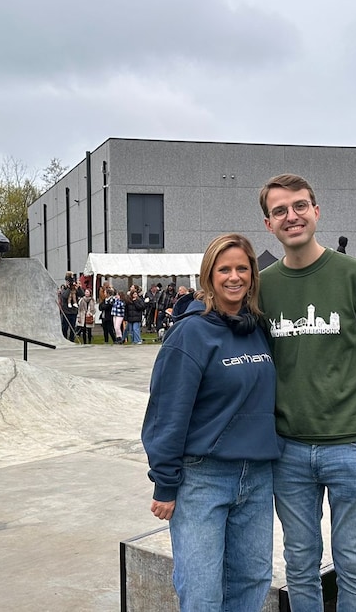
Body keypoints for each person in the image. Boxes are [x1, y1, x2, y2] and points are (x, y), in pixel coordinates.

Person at [258, 174, 356, 611]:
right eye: (280, 210)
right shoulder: (263, 287)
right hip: (289, 449)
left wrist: (342, 393)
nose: (291, 216)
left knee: (354, 561)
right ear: (269, 224)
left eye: (299, 206)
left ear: (316, 211)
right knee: (299, 562)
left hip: (354, 445)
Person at [141, 233, 279, 611]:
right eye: (224, 269)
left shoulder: (259, 330)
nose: (234, 277)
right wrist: (165, 484)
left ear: (252, 274)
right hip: (203, 479)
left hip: (257, 476)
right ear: (209, 276)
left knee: (252, 584)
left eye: (242, 268)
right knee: (202, 593)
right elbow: (167, 414)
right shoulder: (190, 333)